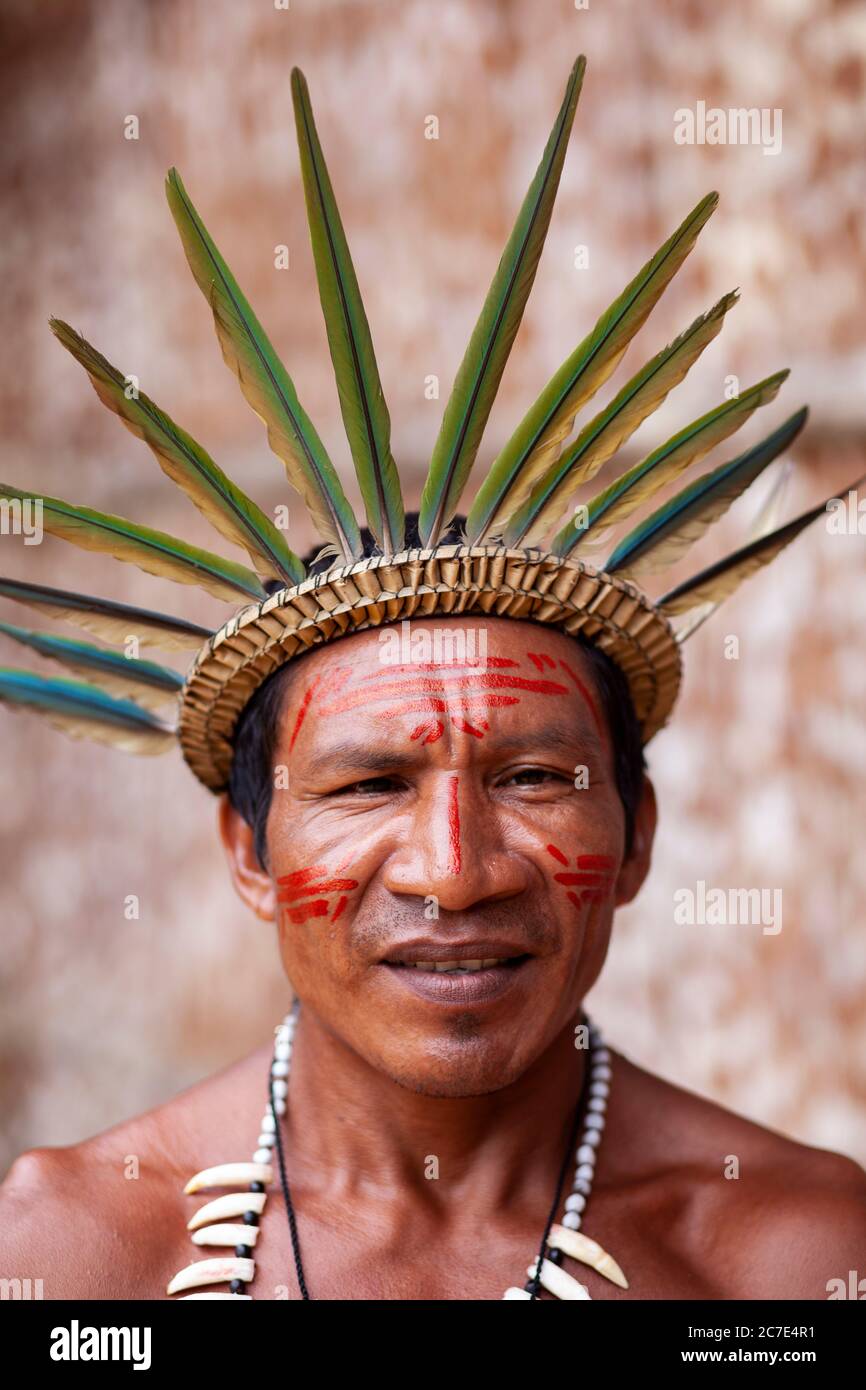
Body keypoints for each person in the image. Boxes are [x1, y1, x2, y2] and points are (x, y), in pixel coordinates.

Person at [1, 56, 863, 1300]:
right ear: (248, 847)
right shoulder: (72, 1259)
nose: (452, 871)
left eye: (530, 774)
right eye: (366, 784)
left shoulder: (790, 1265)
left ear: (636, 837)